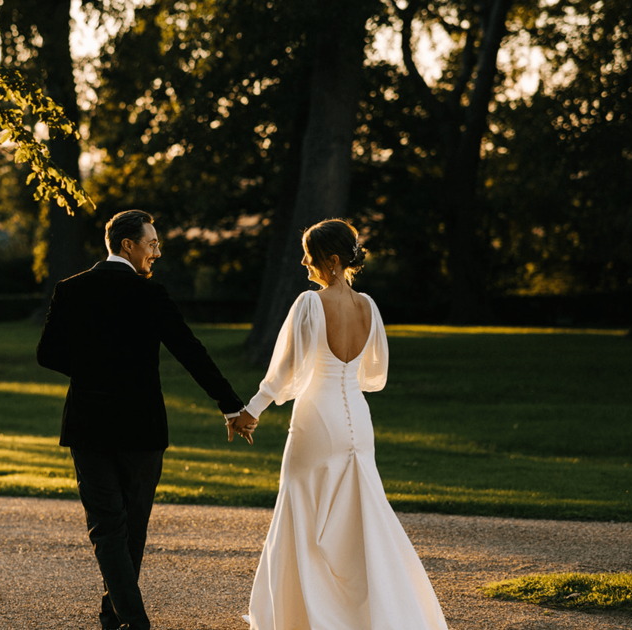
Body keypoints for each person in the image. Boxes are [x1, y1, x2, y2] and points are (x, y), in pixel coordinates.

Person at [37, 209, 257, 630]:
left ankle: (113, 617)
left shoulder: (70, 290)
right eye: (152, 244)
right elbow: (190, 351)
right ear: (128, 245)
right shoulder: (149, 294)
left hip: (89, 423)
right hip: (142, 427)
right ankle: (135, 622)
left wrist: (91, 371)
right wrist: (230, 405)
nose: (157, 252)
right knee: (131, 527)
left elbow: (47, 355)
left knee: (107, 528)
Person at [242, 219, 448, 630]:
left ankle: (303, 618)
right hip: (357, 419)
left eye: (310, 255)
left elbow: (284, 370)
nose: (304, 262)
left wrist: (253, 409)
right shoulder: (368, 306)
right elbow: (374, 376)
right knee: (362, 520)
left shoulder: (310, 303)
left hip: (317, 420)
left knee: (301, 511)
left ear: (333, 261)